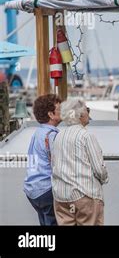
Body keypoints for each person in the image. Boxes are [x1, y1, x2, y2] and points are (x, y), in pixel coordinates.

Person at [51, 99, 108, 225]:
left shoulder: (58, 136)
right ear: (81, 114)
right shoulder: (86, 136)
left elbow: (54, 163)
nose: (88, 113)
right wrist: (104, 179)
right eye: (87, 110)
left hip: (61, 196)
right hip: (84, 193)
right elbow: (99, 169)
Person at [23, 94, 62, 226]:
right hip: (46, 189)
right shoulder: (51, 136)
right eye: (59, 109)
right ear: (51, 114)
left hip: (32, 189)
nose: (62, 112)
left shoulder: (37, 133)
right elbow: (58, 164)